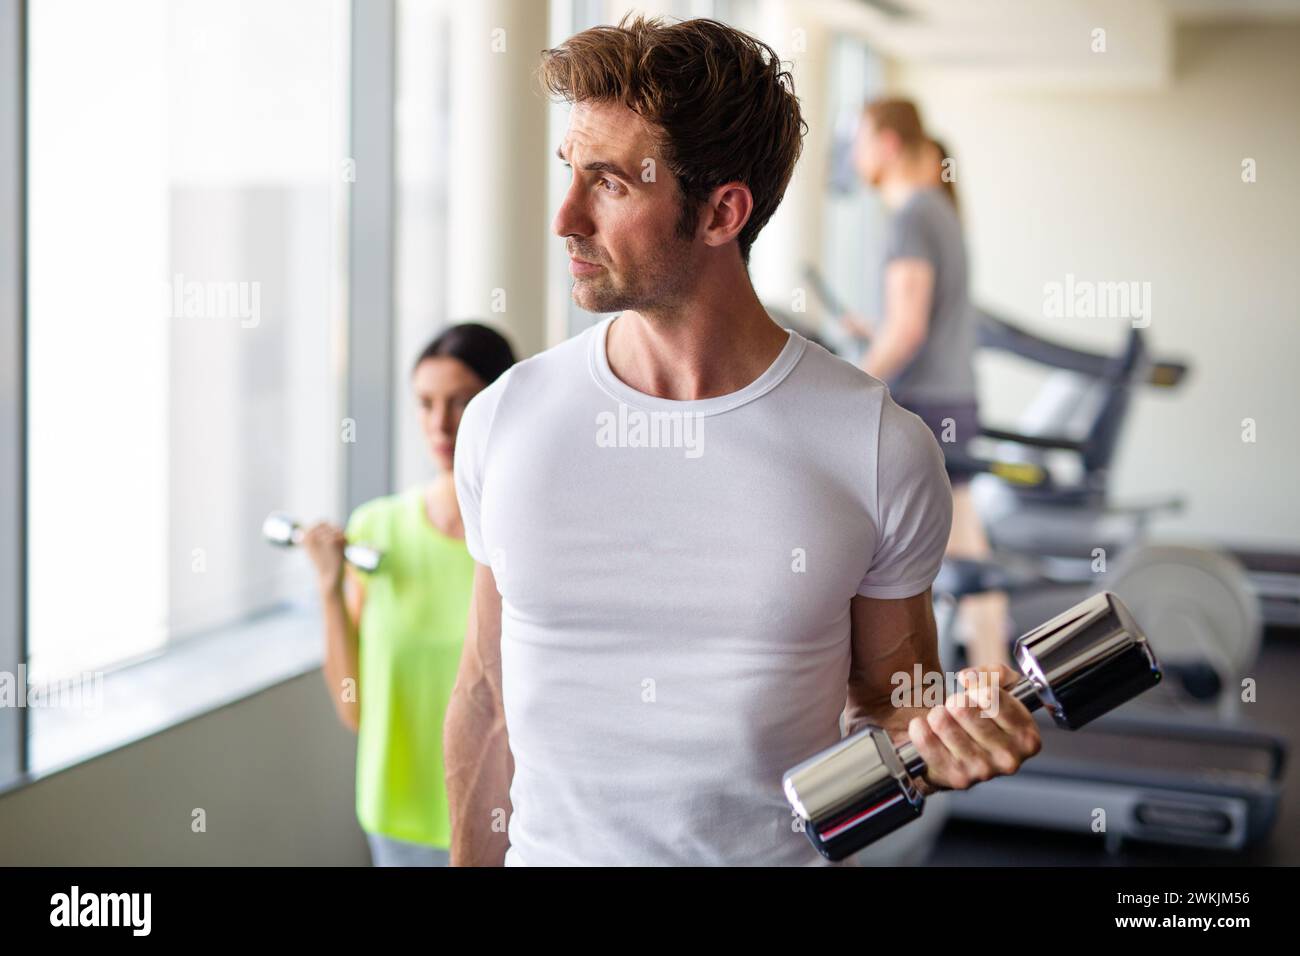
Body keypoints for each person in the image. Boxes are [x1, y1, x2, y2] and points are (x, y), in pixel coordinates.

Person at [445, 15, 1040, 867]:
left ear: (722, 211)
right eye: (570, 174)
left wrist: (946, 737)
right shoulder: (505, 421)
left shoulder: (876, 447)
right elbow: (482, 699)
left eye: (610, 184)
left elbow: (893, 705)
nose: (565, 218)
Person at [302, 322, 515, 867]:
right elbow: (354, 709)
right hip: (397, 819)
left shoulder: (522, 536)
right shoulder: (376, 530)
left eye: (460, 403)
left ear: (497, 404)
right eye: (425, 404)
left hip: (507, 815)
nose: (440, 424)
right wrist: (330, 590)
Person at [842, 99, 1011, 670]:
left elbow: (910, 329)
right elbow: (915, 320)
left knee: (927, 552)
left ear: (887, 144)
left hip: (927, 406)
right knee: (964, 540)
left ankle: (952, 687)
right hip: (952, 399)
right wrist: (875, 330)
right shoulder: (939, 210)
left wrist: (844, 388)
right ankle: (991, 676)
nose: (854, 152)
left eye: (860, 138)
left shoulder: (913, 214)